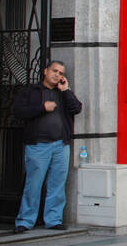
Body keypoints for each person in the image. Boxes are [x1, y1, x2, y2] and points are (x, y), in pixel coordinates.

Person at [12, 59, 82, 232]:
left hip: (60, 145)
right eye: (54, 71)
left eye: (60, 73)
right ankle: (25, 221)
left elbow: (77, 108)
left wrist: (66, 90)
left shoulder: (62, 93)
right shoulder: (31, 91)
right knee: (33, 184)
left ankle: (53, 219)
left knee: (57, 184)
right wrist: (42, 107)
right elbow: (19, 112)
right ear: (45, 71)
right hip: (38, 146)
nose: (57, 75)